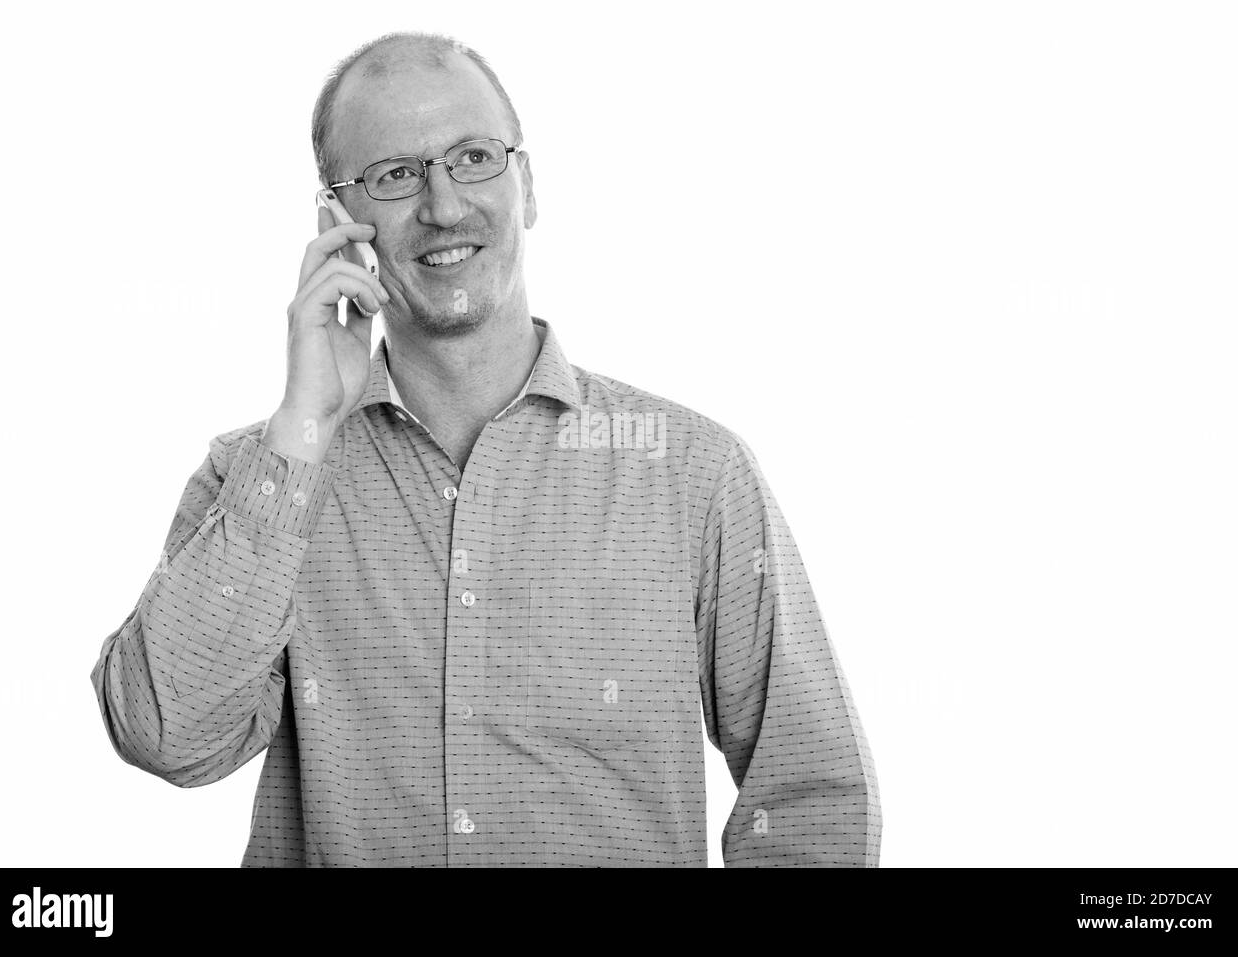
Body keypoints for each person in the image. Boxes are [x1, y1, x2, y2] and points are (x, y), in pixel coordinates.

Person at [90, 30, 882, 867]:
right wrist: (303, 429)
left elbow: (812, 792)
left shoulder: (693, 473)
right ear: (337, 221)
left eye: (472, 157)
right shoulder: (262, 477)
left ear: (526, 184)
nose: (442, 205)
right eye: (396, 174)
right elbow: (166, 734)